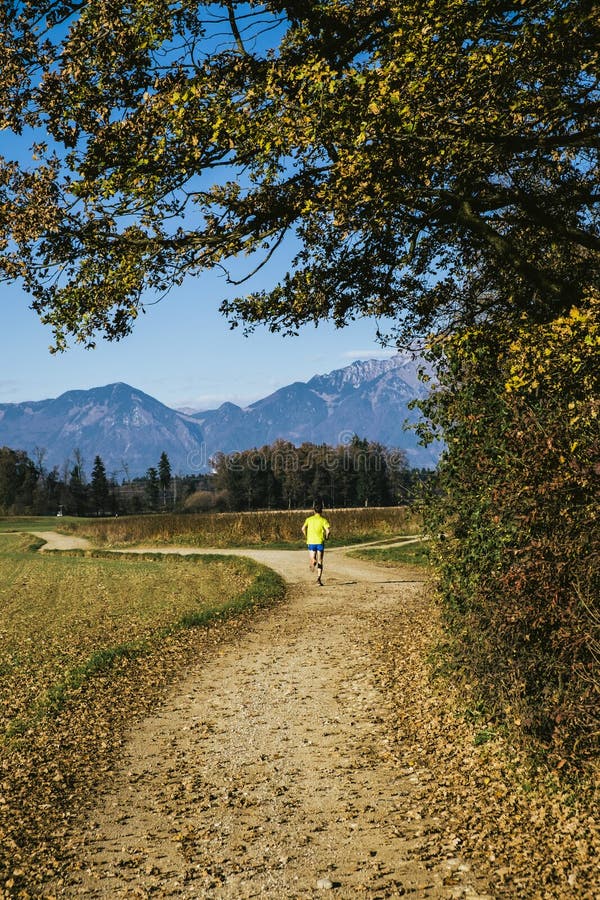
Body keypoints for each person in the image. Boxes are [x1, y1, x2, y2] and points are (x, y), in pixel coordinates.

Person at [302, 501, 331, 586]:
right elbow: (328, 531)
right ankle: (318, 579)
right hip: (320, 542)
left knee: (312, 558)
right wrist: (327, 537)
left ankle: (313, 560)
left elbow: (303, 528)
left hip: (311, 541)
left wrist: (306, 536)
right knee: (320, 561)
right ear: (321, 511)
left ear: (314, 511)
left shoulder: (309, 519)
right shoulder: (323, 520)